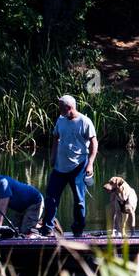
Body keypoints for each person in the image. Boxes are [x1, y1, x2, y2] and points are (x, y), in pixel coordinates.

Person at [41, 94, 98, 237]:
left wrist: (90, 164)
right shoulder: (61, 120)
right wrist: (53, 156)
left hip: (78, 167)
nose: (59, 110)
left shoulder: (85, 122)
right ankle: (47, 228)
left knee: (79, 201)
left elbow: (94, 143)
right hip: (59, 168)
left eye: (61, 107)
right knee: (51, 198)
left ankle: (78, 230)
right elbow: (55, 137)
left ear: (69, 107)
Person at [0, 165, 44, 234]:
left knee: (26, 231)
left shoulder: (3, 183)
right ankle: (36, 223)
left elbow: (2, 211)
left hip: (34, 202)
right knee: (13, 231)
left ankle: (43, 228)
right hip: (21, 208)